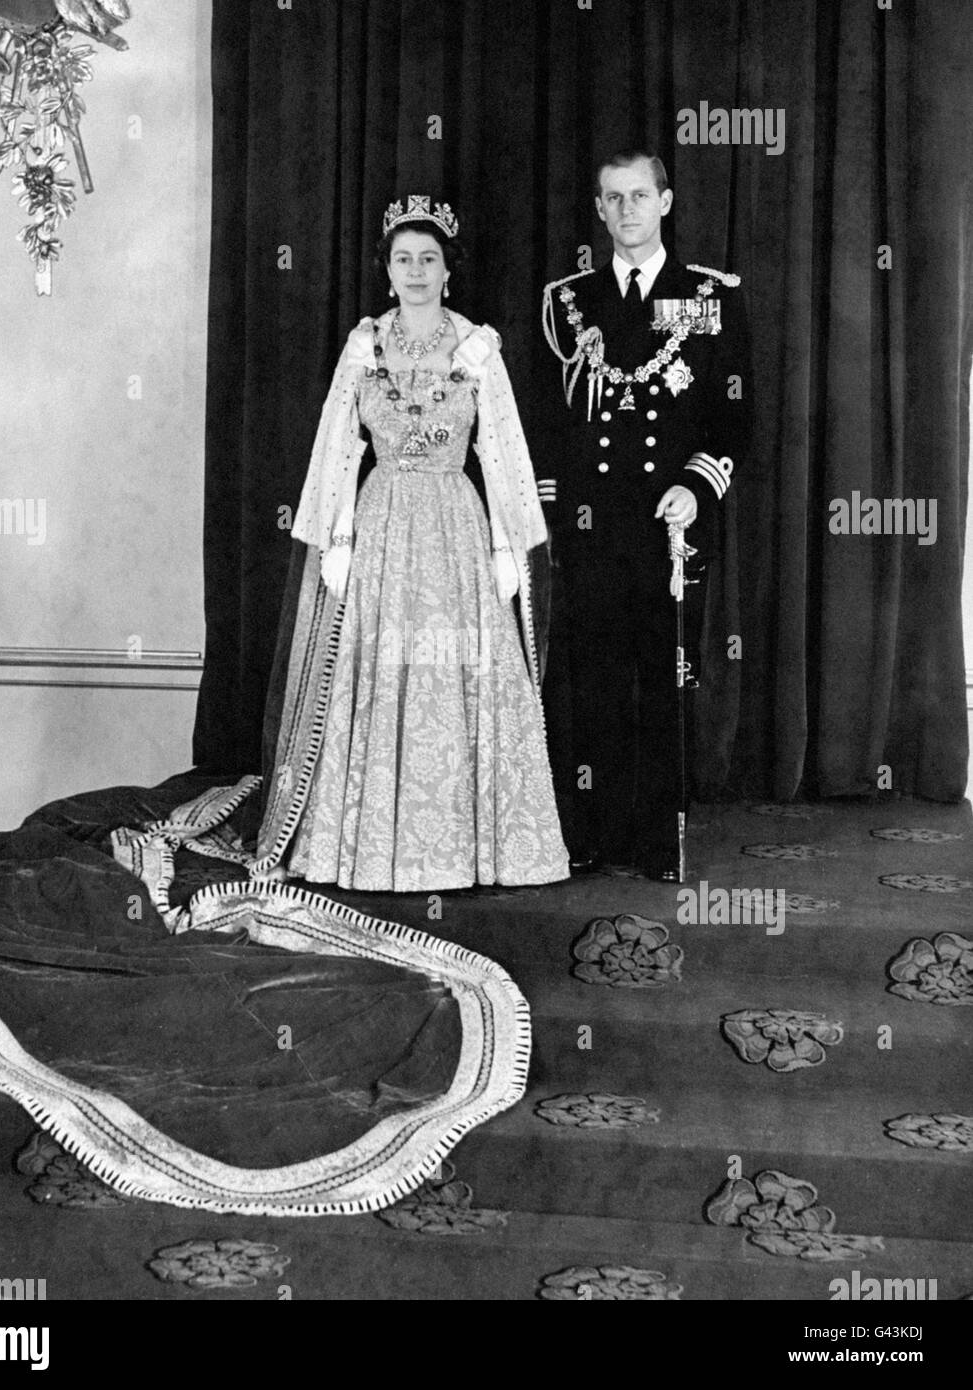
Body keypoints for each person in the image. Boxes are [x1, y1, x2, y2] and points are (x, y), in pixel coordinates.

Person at [254, 195, 568, 892]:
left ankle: (471, 848)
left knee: (457, 672)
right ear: (387, 271)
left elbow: (503, 450)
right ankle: (365, 847)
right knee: (378, 668)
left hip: (455, 525)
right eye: (404, 259)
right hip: (383, 522)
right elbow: (337, 445)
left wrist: (506, 546)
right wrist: (336, 535)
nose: (416, 271)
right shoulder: (363, 346)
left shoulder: (477, 347)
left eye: (429, 259)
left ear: (447, 271)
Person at [538, 152, 752, 882]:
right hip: (591, 522)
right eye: (612, 199)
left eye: (639, 195)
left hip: (670, 524)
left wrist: (698, 486)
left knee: (664, 680)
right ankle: (595, 836)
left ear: (664, 201)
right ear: (598, 211)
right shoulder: (570, 301)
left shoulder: (704, 296)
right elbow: (548, 423)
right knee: (591, 680)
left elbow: (731, 414)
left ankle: (661, 839)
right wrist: (552, 515)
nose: (626, 210)